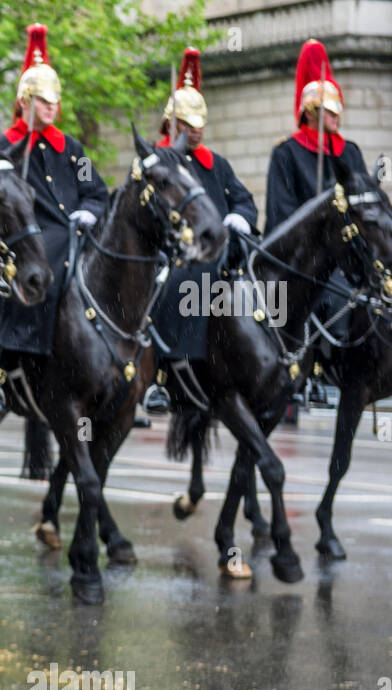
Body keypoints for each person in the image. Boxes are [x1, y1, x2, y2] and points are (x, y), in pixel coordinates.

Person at [0, 23, 109, 421]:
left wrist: (88, 211)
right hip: (26, 239)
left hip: (75, 235)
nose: (50, 107)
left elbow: (97, 192)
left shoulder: (71, 147)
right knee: (28, 276)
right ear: (24, 101)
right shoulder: (4, 148)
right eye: (42, 100)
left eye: (54, 101)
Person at [144, 47, 258, 415]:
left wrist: (239, 217)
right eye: (188, 123)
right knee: (182, 279)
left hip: (222, 249)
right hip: (175, 250)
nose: (196, 130)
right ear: (172, 123)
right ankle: (165, 371)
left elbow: (243, 199)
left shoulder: (217, 164)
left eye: (199, 123)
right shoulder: (158, 162)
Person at [265, 39, 371, 406]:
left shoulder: (350, 152)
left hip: (347, 253)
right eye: (329, 110)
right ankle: (308, 370)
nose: (337, 116)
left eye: (338, 109)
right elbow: (280, 213)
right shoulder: (287, 153)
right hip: (304, 256)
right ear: (310, 111)